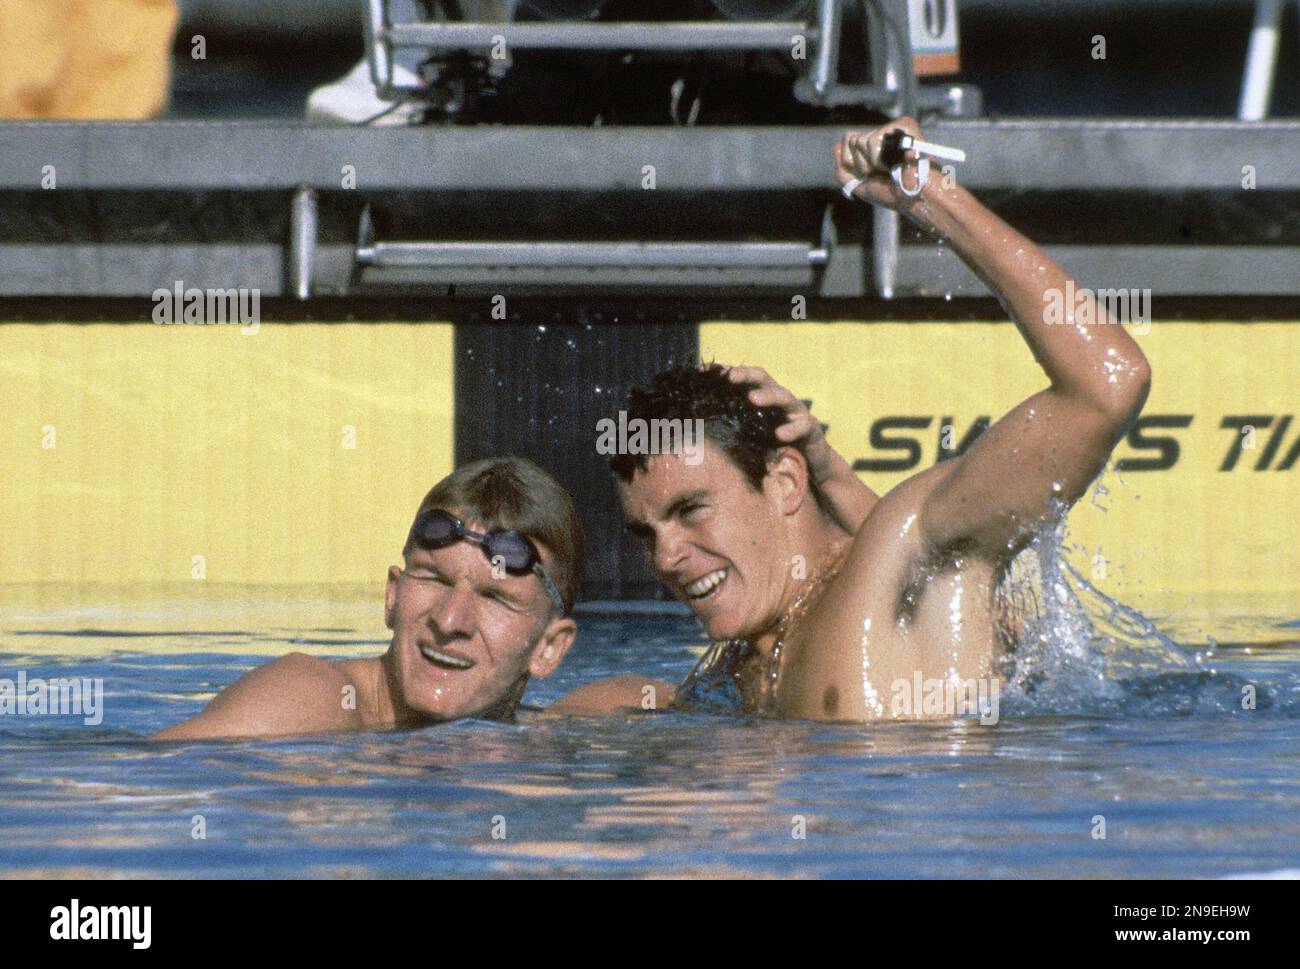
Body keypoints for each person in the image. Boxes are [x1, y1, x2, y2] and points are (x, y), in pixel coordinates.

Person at [552, 117, 1151, 722]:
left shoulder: (910, 545)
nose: (666, 558)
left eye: (689, 511)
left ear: (785, 482)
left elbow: (1106, 386)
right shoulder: (739, 671)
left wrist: (932, 198)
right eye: (648, 534)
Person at [153, 457, 584, 740]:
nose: (450, 620)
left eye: (493, 597)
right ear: (392, 595)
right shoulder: (311, 701)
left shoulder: (556, 733)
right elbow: (117, 790)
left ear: (549, 648)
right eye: (433, 579)